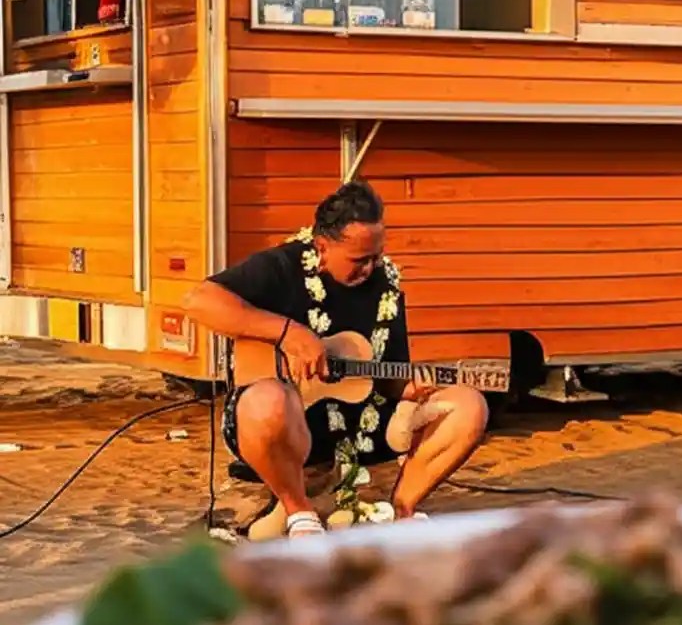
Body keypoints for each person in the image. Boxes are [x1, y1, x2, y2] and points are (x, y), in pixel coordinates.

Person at [183, 181, 489, 537]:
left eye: (377, 256)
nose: (371, 267)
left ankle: (403, 507)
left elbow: (388, 378)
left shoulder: (385, 283)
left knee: (469, 405)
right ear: (322, 247)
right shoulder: (281, 266)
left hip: (360, 427)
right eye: (360, 259)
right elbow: (199, 302)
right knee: (267, 401)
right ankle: (300, 513)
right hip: (286, 425)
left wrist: (414, 388)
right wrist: (289, 334)